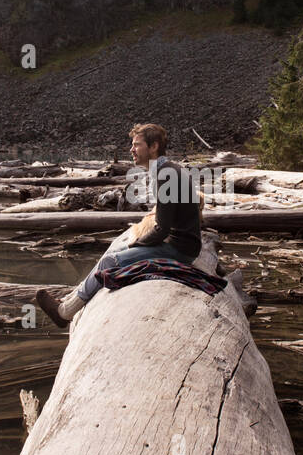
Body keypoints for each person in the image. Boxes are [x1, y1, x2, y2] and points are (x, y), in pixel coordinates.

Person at [36, 123, 202, 328]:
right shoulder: (169, 169)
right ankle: (71, 297)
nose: (131, 150)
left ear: (153, 147)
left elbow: (163, 228)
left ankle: (64, 313)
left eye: (136, 145)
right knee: (115, 251)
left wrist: (137, 244)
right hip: (181, 244)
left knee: (111, 261)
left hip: (180, 249)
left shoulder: (166, 174)